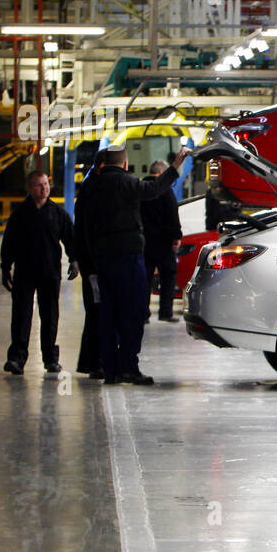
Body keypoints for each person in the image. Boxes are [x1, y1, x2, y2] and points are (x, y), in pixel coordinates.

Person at [84, 145, 190, 384]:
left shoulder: (92, 187)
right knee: (132, 313)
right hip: (128, 257)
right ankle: (128, 367)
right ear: (124, 164)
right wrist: (174, 168)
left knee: (108, 314)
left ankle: (110, 369)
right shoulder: (126, 182)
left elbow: (85, 225)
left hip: (102, 258)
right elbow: (153, 189)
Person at [0, 170, 77, 375]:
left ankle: (50, 358)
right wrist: (5, 267)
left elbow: (70, 238)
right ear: (29, 188)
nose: (43, 189)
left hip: (49, 272)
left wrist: (74, 260)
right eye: (38, 185)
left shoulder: (58, 213)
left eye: (45, 184)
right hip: (24, 272)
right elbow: (9, 243)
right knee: (21, 316)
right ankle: (17, 358)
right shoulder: (20, 214)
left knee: (50, 315)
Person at [72, 150, 107, 379]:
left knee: (96, 312)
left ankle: (91, 362)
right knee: (98, 312)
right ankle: (95, 363)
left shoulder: (89, 188)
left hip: (91, 263)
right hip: (95, 265)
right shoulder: (95, 190)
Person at [141, 158, 183, 323]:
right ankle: (165, 312)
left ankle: (143, 314)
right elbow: (172, 214)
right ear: (161, 173)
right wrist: (176, 235)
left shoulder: (140, 188)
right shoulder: (164, 190)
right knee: (168, 276)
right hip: (163, 242)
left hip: (144, 242)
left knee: (144, 279)